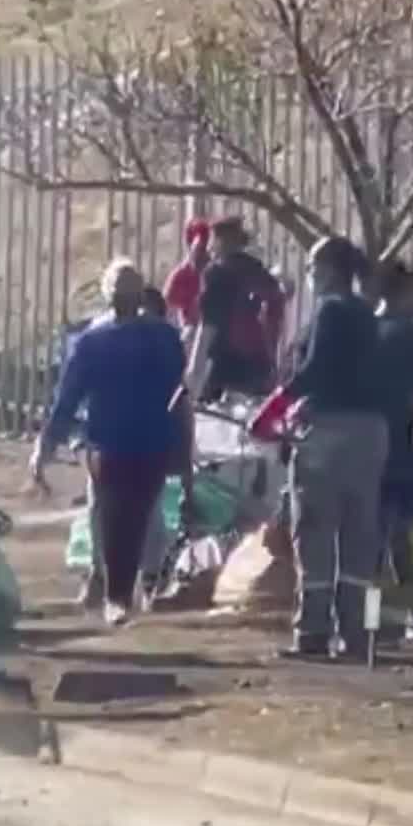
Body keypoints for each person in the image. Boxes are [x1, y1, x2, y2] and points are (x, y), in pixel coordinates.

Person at [32, 259, 190, 627]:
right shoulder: (164, 337)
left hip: (112, 443)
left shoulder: (92, 340)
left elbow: (67, 399)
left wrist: (47, 445)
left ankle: (120, 594)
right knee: (135, 514)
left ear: (107, 295)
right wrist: (183, 444)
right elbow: (180, 393)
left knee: (116, 517)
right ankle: (134, 586)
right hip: (148, 441)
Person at [254, 236, 386, 659]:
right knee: (359, 534)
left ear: (329, 270)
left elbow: (316, 370)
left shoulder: (330, 311)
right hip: (371, 434)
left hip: (329, 434)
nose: (309, 275)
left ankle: (312, 631)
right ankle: (358, 632)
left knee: (314, 530)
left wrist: (275, 405)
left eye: (312, 267)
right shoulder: (367, 314)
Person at [372, 259, 413, 595]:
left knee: (370, 549)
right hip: (404, 448)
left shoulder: (362, 332)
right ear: (405, 294)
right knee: (406, 537)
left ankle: (372, 623)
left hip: (366, 447)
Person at [187, 217, 286, 404]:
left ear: (219, 241)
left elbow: (208, 326)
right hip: (258, 364)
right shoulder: (258, 269)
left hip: (225, 365)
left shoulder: (216, 273)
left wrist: (194, 372)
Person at [163, 218, 210, 333]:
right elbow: (167, 308)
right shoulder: (181, 275)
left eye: (205, 250)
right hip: (189, 330)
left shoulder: (217, 274)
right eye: (199, 250)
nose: (203, 256)